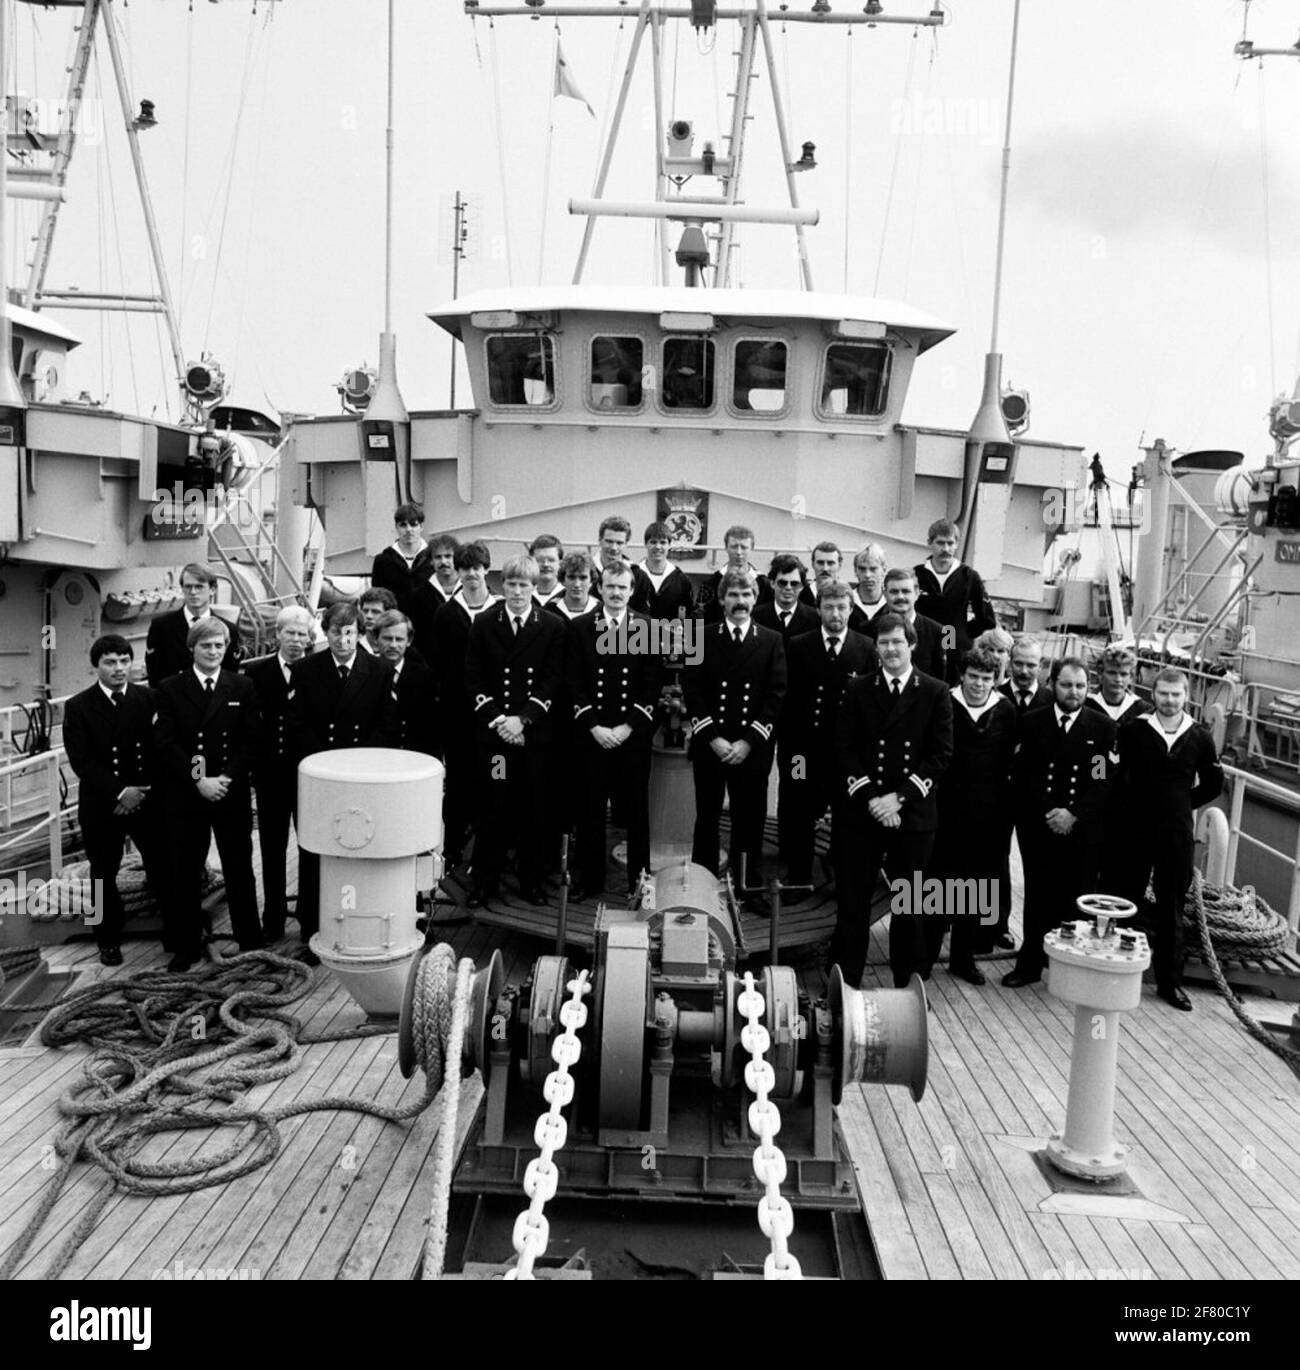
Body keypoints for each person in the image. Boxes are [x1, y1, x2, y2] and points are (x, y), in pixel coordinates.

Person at [833, 614, 953, 989]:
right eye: (883, 643)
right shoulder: (858, 689)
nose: (890, 649)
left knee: (910, 907)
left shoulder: (935, 691)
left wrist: (898, 799)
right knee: (852, 905)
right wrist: (872, 798)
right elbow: (845, 749)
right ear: (876, 648)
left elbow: (940, 754)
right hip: (863, 813)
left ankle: (907, 984)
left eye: (897, 642)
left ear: (912, 645)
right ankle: (845, 983)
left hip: (912, 816)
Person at [1106, 668, 1223, 1011]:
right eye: (1163, 694)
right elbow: (1114, 771)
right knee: (1126, 899)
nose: (1169, 700)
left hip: (1175, 832)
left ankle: (1169, 983)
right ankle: (1118, 970)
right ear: (1152, 694)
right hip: (1135, 828)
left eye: (1176, 694)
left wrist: (1183, 803)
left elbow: (1214, 783)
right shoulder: (1134, 730)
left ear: (1186, 696)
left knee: (1172, 906)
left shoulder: (1199, 736)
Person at [153, 617, 262, 970]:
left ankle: (250, 939)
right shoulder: (170, 689)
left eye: (219, 645)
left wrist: (226, 778)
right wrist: (200, 779)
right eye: (206, 645)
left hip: (228, 792)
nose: (214, 651)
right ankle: (186, 944)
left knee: (239, 868)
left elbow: (250, 741)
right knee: (185, 870)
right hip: (188, 794)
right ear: (192, 649)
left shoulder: (241, 687)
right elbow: (166, 744)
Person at [289, 601, 395, 960]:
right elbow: (297, 723)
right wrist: (325, 762)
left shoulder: (379, 670)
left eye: (350, 632)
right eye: (337, 632)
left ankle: (355, 922)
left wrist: (357, 764)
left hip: (360, 777)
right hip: (320, 778)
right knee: (314, 850)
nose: (343, 639)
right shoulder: (305, 670)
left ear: (359, 633)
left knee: (356, 851)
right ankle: (309, 927)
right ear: (326, 633)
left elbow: (385, 724)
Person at [1002, 657, 1116, 988]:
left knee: (1076, 895)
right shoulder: (1032, 722)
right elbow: (1025, 775)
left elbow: (1101, 781)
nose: (1073, 692)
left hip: (1081, 827)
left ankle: (1069, 967)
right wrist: (1051, 811)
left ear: (1088, 688)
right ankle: (1030, 964)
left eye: (1080, 686)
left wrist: (1073, 813)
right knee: (1038, 893)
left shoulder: (1102, 728)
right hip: (1040, 824)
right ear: (1052, 684)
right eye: (1066, 685)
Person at [464, 555, 567, 905]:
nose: (518, 591)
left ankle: (531, 882)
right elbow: (473, 675)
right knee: (493, 806)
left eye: (524, 585)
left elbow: (553, 679)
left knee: (533, 810)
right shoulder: (483, 623)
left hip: (532, 741)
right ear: (502, 585)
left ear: (534, 586)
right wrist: (499, 720)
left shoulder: (552, 626)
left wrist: (522, 720)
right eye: (511, 584)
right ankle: (485, 883)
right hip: (496, 742)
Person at [62, 635, 169, 966]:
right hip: (102, 803)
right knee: (102, 873)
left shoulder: (149, 699)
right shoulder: (79, 706)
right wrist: (121, 792)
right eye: (110, 662)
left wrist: (139, 790)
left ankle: (176, 931)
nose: (119, 668)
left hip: (145, 798)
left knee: (163, 865)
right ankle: (107, 939)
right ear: (96, 666)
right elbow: (82, 760)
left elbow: (159, 750)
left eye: (124, 661)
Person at [566, 562, 664, 901]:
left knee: (637, 813)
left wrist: (626, 727)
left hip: (631, 737)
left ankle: (639, 881)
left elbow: (652, 686)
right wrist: (594, 726)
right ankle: (590, 881)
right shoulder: (580, 628)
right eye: (610, 586)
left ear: (632, 589)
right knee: (590, 812)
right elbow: (574, 682)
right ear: (600, 588)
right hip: (592, 737)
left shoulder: (648, 629)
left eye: (623, 587)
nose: (616, 593)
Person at [684, 569, 786, 890]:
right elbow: (693, 692)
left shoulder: (771, 640)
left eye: (746, 595)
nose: (739, 602)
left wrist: (748, 742)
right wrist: (713, 738)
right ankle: (703, 883)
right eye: (733, 595)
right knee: (707, 818)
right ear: (722, 598)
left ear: (755, 599)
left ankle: (746, 885)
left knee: (749, 821)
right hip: (711, 746)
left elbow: (776, 695)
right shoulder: (701, 636)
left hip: (750, 749)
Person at [779, 581, 877, 888]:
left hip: (845, 752)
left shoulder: (866, 647)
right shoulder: (798, 644)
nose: (835, 614)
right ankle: (798, 877)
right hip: (803, 750)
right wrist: (791, 750)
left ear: (851, 609)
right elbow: (788, 697)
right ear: (819, 609)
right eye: (829, 607)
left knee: (847, 815)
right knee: (798, 810)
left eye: (842, 607)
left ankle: (841, 878)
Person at [929, 647, 1018, 985]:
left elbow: (1010, 760)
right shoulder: (944, 702)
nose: (979, 684)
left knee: (974, 885)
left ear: (995, 680)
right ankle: (926, 954)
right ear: (962, 676)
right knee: (939, 883)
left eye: (986, 678)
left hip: (986, 811)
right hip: (945, 807)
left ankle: (962, 958)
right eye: (973, 677)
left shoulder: (1005, 711)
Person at [242, 605, 314, 941]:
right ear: (278, 635)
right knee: (271, 849)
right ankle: (272, 918)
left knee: (310, 849)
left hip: (307, 776)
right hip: (271, 776)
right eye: (291, 633)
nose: (297, 640)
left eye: (302, 634)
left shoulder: (317, 672)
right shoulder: (256, 673)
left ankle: (309, 920)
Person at [430, 541, 501, 868]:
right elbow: (440, 665)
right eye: (465, 568)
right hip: (458, 717)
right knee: (458, 783)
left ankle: (491, 853)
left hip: (495, 720)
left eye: (477, 567)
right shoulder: (446, 614)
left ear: (486, 569)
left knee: (496, 778)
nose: (471, 574)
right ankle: (454, 851)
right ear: (457, 572)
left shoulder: (499, 611)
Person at [914, 518, 998, 682]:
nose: (945, 549)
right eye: (940, 543)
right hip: (922, 651)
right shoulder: (917, 575)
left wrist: (962, 632)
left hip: (955, 654)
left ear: (956, 544)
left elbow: (987, 619)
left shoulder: (969, 576)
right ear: (929, 543)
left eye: (950, 543)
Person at [145, 563, 238, 686]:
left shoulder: (229, 629)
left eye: (199, 587)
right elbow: (154, 673)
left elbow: (230, 675)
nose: (193, 592)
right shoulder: (161, 627)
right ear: (182, 589)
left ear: (212, 590)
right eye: (188, 587)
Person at [375, 610, 440, 758]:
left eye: (399, 639)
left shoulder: (425, 677)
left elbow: (432, 727)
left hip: (415, 759)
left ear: (408, 641)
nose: (393, 645)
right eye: (387, 638)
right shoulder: (364, 674)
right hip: (376, 759)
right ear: (376, 639)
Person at [863, 568, 946, 679]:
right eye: (894, 592)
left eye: (906, 591)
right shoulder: (866, 630)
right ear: (885, 594)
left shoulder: (938, 632)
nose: (900, 597)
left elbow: (942, 678)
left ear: (917, 594)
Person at [370, 503, 434, 615]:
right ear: (396, 527)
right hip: (394, 625)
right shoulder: (383, 561)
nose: (409, 530)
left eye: (414, 525)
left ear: (421, 527)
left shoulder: (433, 558)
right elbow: (377, 598)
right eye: (403, 525)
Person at [702, 525, 772, 623]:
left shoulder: (765, 585)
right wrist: (698, 639)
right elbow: (697, 619)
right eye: (734, 547)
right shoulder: (709, 584)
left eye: (744, 547)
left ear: (752, 548)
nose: (739, 552)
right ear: (726, 547)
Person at [407, 533, 461, 648]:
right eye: (438, 557)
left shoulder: (469, 591)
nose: (443, 562)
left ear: (456, 558)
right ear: (431, 561)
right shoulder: (419, 596)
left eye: (448, 556)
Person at [596, 515, 655, 613]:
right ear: (600, 540)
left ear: (626, 544)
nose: (614, 547)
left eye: (619, 543)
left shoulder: (639, 576)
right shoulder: (586, 572)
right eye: (609, 541)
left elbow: (642, 617)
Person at [639, 521, 696, 622]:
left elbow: (687, 617)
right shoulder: (633, 576)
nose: (658, 547)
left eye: (663, 542)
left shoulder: (681, 580)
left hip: (669, 636)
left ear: (669, 545)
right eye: (653, 542)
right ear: (645, 544)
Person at [1084, 646, 1152, 725]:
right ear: (1100, 673)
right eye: (1112, 673)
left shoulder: (1143, 710)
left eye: (1123, 674)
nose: (1118, 679)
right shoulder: (1085, 703)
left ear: (1131, 677)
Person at [755, 555, 819, 639]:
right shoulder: (755, 616)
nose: (788, 588)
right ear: (772, 583)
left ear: (802, 586)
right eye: (782, 583)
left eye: (794, 584)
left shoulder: (815, 618)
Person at [999, 634, 1051, 717]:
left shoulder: (1052, 701)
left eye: (1031, 665)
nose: (1024, 671)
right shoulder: (994, 697)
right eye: (1018, 664)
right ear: (1010, 663)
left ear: (1040, 666)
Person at [547, 551, 600, 622]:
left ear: (591, 580)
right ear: (563, 580)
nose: (577, 584)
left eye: (583, 578)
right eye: (571, 577)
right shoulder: (549, 610)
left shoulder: (602, 610)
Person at [848, 544, 890, 633]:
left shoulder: (892, 604)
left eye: (873, 569)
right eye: (862, 569)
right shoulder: (846, 602)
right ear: (855, 570)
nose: (867, 575)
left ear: (884, 569)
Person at [357, 586, 398, 656]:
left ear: (389, 615)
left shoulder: (400, 650)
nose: (368, 616)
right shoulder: (352, 650)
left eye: (375, 612)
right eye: (365, 611)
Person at [799, 542, 843, 607]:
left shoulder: (847, 595)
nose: (825, 568)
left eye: (830, 563)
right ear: (813, 564)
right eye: (820, 563)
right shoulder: (800, 595)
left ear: (839, 565)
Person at [529, 534, 566, 610]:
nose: (545, 564)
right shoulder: (524, 597)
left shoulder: (568, 598)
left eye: (551, 560)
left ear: (561, 564)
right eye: (540, 560)